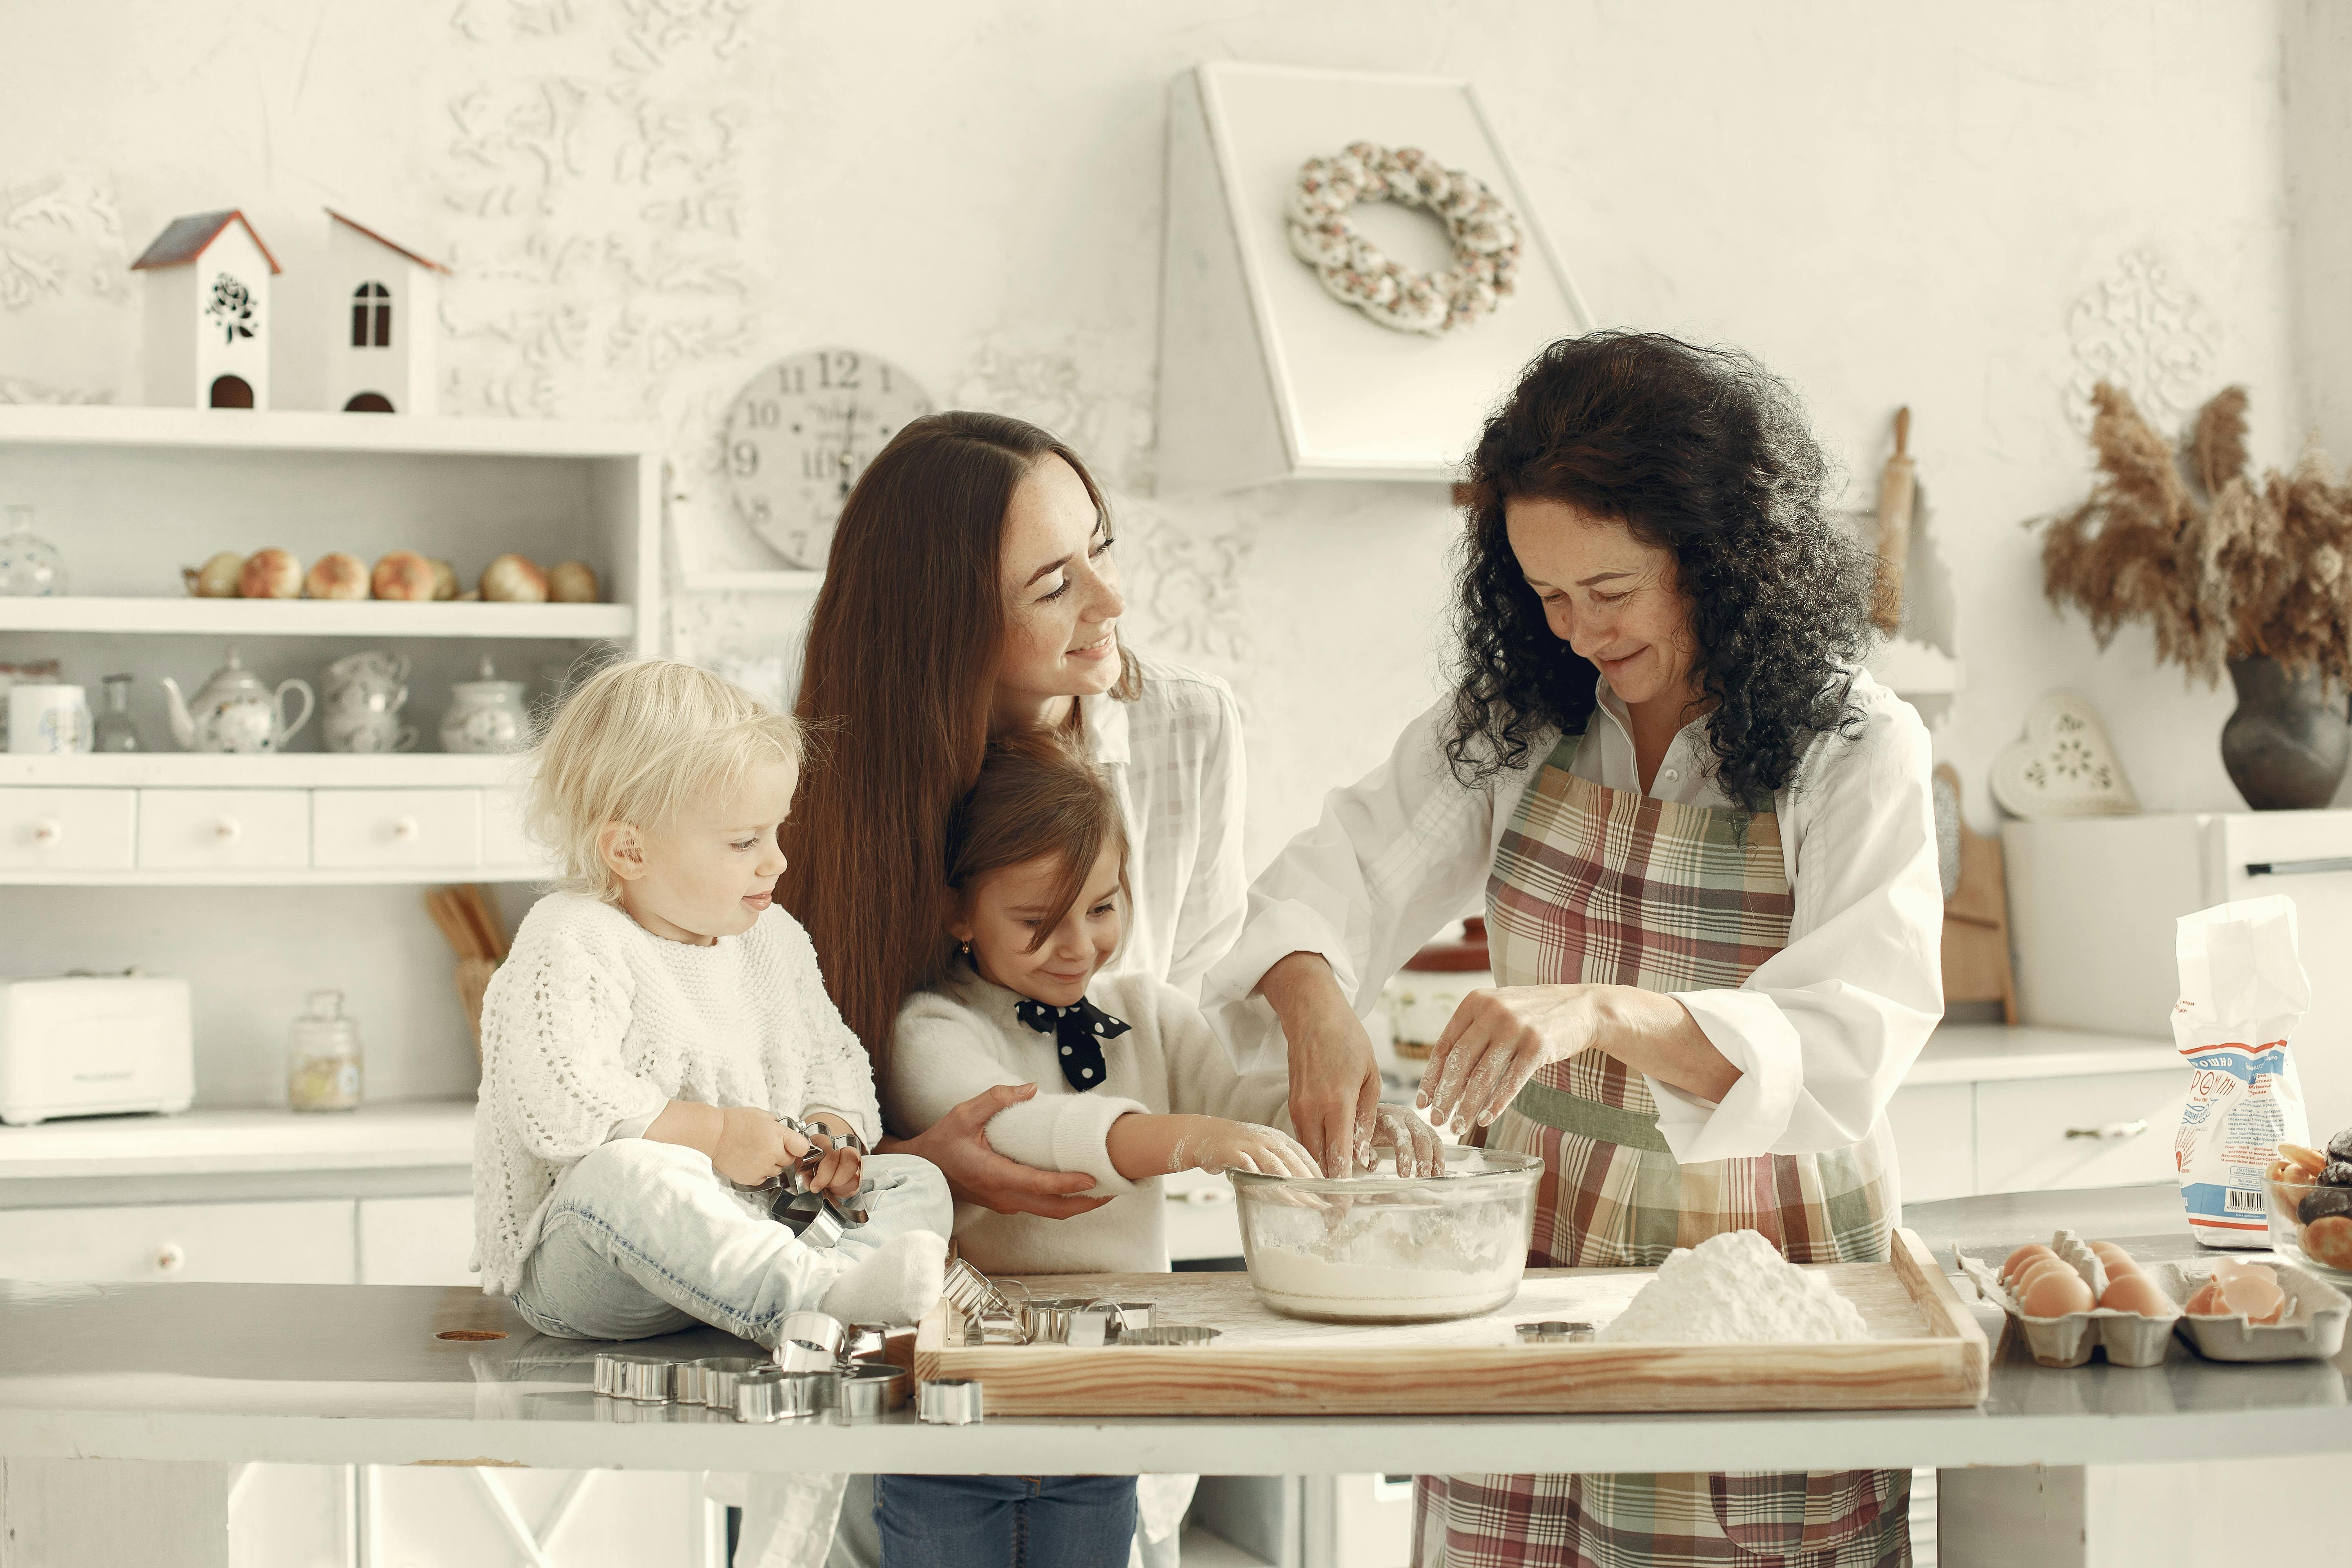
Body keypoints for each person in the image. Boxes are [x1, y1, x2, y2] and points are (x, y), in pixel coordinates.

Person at [1205, 332, 1942, 1567]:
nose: (1577, 630)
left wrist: (1600, 1011)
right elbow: (1330, 881)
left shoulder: (1855, 747)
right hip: (1531, 1254)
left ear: (1720, 558)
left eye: (1611, 592)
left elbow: (1850, 1040)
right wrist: (1317, 1003)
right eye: (1545, 595)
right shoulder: (1517, 719)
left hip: (1754, 1267)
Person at [781, 410, 1256, 1568]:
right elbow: (769, 1134)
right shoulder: (808, 788)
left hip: (1107, 1360)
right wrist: (913, 1168)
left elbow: (1191, 1017)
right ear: (944, 624)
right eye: (1055, 583)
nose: (1111, 600)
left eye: (1102, 546)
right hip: (883, 1361)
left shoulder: (1187, 728)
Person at [878, 731, 1347, 1567]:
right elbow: (1024, 1134)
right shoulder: (932, 1027)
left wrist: (1338, 1117)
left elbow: (1246, 1107)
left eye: (1101, 908)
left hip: (1105, 1400)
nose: (1079, 945)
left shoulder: (1150, 1011)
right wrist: (1189, 1140)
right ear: (956, 912)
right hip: (960, 1416)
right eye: (1037, 922)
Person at [470, 657, 953, 1348]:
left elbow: (831, 1063)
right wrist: (720, 1136)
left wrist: (832, 1136)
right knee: (628, 1174)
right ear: (629, 850)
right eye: (744, 842)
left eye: (777, 831)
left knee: (915, 1179)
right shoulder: (573, 936)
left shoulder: (773, 940)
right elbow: (560, 1104)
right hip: (594, 1261)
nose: (777, 860)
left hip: (752, 1232)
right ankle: (823, 1299)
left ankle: (840, 1292)